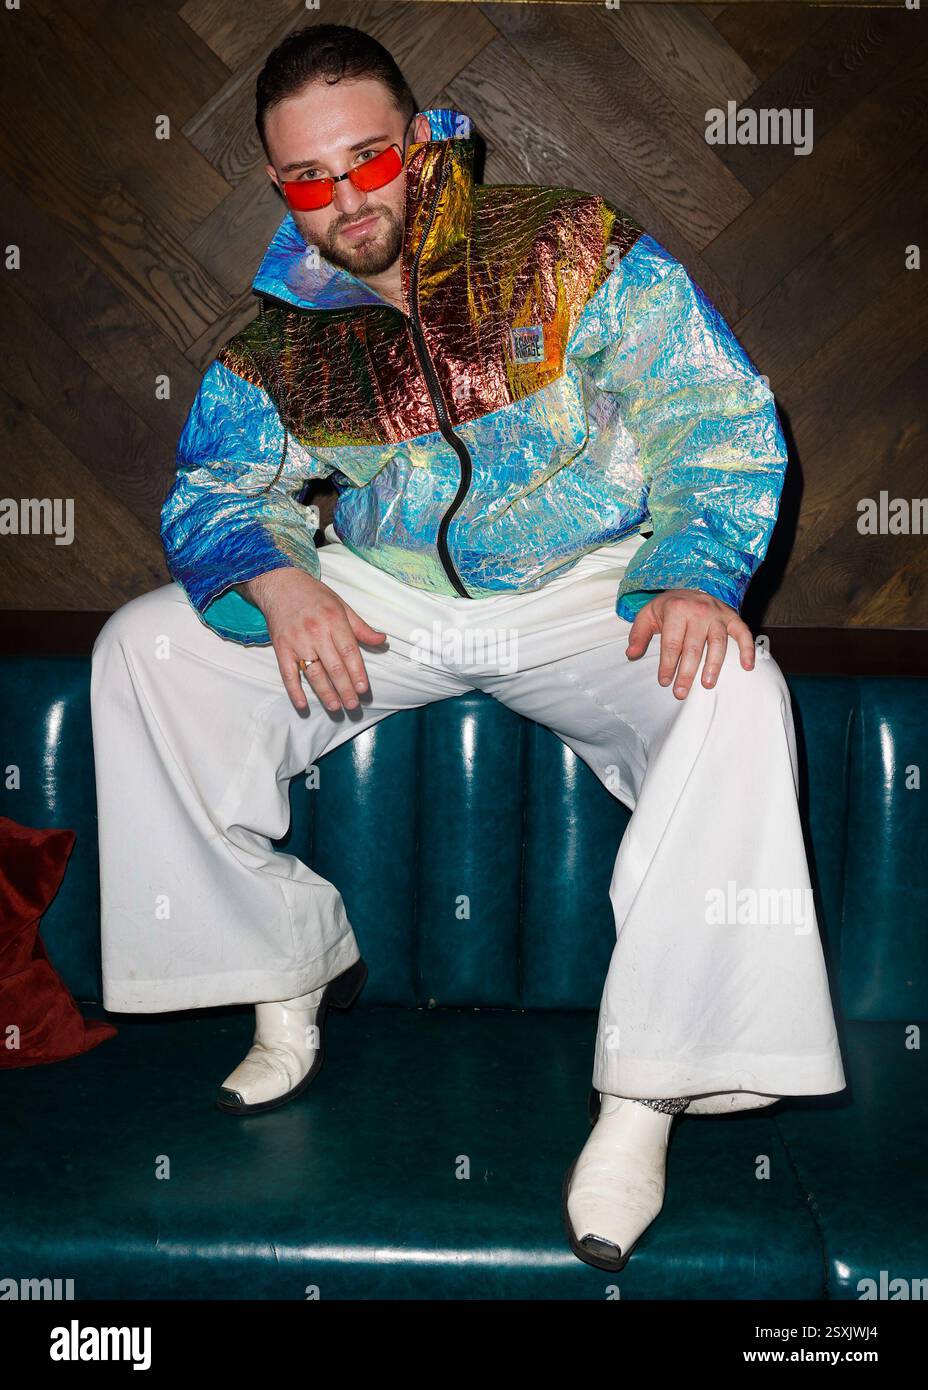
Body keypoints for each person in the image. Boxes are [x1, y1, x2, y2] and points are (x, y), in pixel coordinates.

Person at [90, 23, 847, 1273]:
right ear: (281, 188)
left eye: (369, 158)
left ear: (422, 137)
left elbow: (711, 411)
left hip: (584, 586)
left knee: (737, 687)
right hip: (389, 598)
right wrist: (277, 579)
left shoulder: (569, 244)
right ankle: (285, 969)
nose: (346, 198)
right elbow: (215, 491)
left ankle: (646, 1094)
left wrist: (700, 570)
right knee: (144, 653)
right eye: (307, 178)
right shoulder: (275, 333)